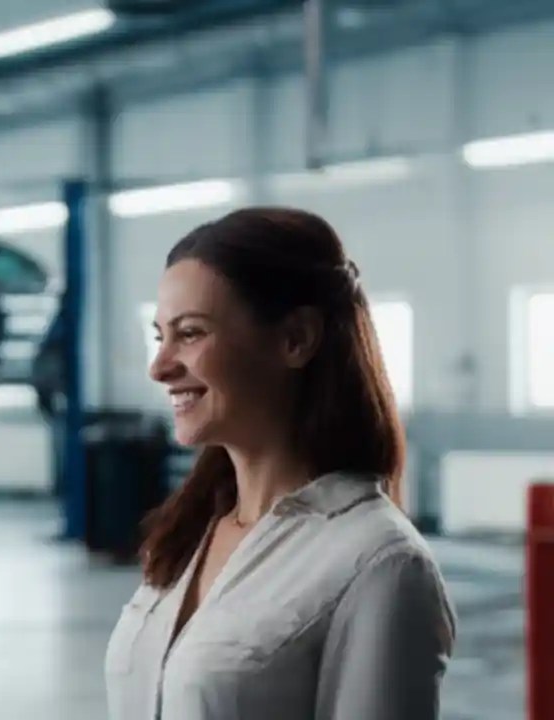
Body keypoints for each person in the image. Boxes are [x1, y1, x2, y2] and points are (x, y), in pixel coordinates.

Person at [104, 208, 456, 719]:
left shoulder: (380, 563)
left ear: (296, 339)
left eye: (192, 333)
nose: (160, 367)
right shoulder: (192, 531)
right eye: (161, 336)